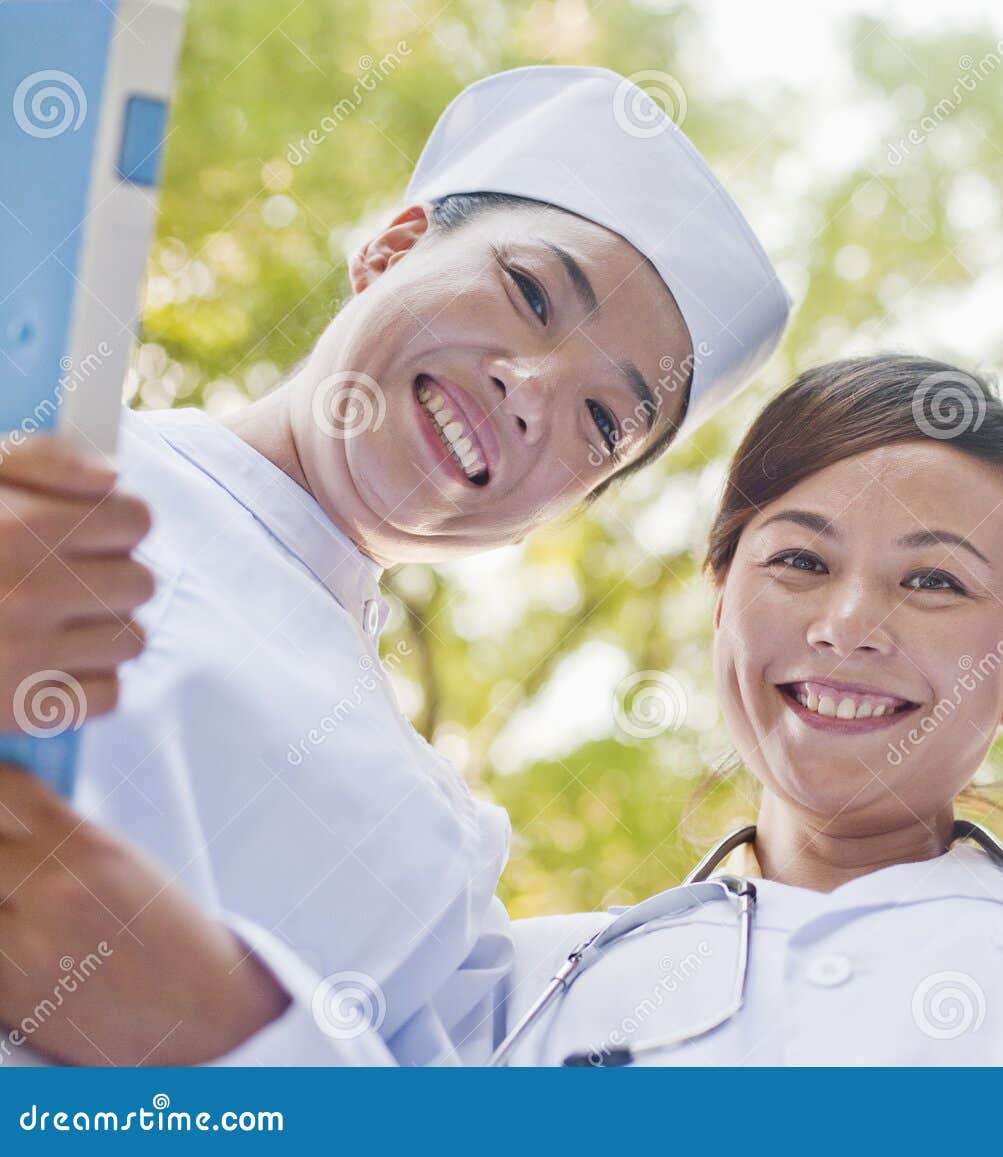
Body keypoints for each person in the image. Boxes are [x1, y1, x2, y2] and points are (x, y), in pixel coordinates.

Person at [0, 65, 788, 1066]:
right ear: (392, 246)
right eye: (531, 293)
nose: (530, 389)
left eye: (602, 420)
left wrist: (223, 1022)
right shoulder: (33, 432)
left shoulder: (434, 860)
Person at [485, 355, 1003, 1066]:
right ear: (720, 604)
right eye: (800, 560)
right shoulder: (517, 990)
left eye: (933, 580)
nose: (849, 625)